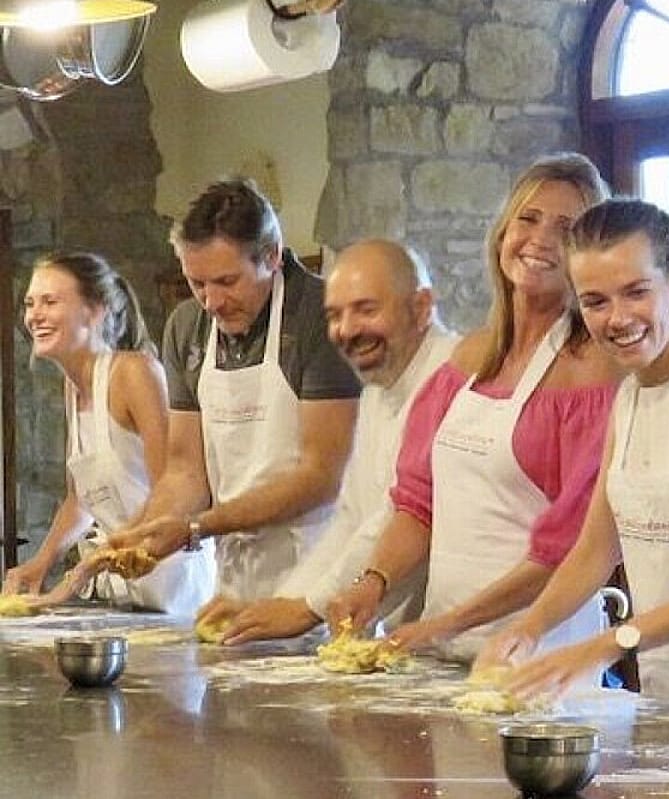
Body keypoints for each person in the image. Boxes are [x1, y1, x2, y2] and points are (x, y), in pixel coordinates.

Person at [325, 152, 621, 664]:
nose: (540, 240)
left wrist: (446, 623)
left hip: (538, 654)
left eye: (565, 228)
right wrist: (372, 584)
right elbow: (419, 505)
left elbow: (571, 549)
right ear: (502, 233)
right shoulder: (466, 360)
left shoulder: (594, 375)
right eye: (527, 219)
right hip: (441, 650)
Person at [475, 199, 669, 705]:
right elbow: (597, 548)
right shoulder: (627, 398)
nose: (617, 317)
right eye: (595, 301)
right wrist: (529, 629)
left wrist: (611, 643)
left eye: (635, 293)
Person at [107, 178, 360, 609]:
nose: (212, 302)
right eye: (197, 283)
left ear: (272, 257)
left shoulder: (321, 316)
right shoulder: (186, 328)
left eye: (227, 281)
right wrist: (141, 531)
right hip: (234, 581)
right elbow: (186, 469)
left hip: (323, 576)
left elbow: (321, 477)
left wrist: (196, 529)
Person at [211, 239, 458, 644]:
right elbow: (351, 518)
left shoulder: (450, 377)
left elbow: (397, 513)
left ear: (421, 307)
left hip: (492, 639)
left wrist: (308, 605)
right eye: (334, 315)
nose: (346, 330)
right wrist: (282, 600)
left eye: (366, 309)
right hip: (420, 639)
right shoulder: (378, 391)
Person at [2, 253, 215, 614]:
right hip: (129, 590)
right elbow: (80, 501)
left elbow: (172, 487)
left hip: (178, 586)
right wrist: (39, 563)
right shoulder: (73, 390)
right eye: (30, 303)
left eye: (50, 302)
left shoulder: (134, 372)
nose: (34, 315)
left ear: (95, 310)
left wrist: (85, 570)